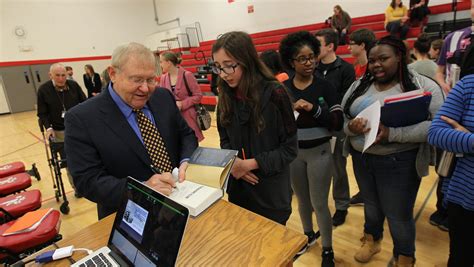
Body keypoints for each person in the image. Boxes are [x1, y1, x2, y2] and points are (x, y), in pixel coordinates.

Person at [64, 43, 198, 219]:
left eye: (150, 80)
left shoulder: (163, 97)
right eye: (136, 80)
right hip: (130, 216)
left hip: (183, 203)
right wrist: (142, 189)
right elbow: (87, 181)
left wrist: (186, 161)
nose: (145, 88)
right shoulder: (82, 118)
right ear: (113, 74)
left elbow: (186, 135)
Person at [341, 35, 443, 266]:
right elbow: (343, 120)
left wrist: (392, 134)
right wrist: (351, 127)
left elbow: (438, 126)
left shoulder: (422, 85)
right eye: (373, 60)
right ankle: (372, 240)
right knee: (372, 206)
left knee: (398, 216)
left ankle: (404, 256)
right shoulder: (359, 85)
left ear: (399, 57)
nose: (376, 64)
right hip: (362, 158)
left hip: (400, 162)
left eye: (383, 59)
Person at [211, 31, 297, 226]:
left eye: (229, 66)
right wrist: (233, 163)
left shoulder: (275, 93)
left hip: (270, 193)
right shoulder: (225, 95)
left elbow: (289, 150)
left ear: (246, 60)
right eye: (218, 67)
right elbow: (225, 139)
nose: (223, 74)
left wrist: (248, 164)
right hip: (239, 190)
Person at [280, 31, 342, 266]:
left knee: (319, 203)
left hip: (320, 152)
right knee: (302, 202)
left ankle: (327, 249)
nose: (308, 62)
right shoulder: (284, 88)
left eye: (311, 57)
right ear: (291, 61)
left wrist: (314, 110)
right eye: (302, 58)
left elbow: (337, 122)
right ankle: (308, 236)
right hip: (294, 153)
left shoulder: (325, 86)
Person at [428, 74, 474, 267]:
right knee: (460, 258)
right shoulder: (469, 85)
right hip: (465, 197)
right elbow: (436, 133)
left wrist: (465, 139)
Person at [314, 29, 356, 226]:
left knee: (338, 168)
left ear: (330, 46)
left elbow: (346, 100)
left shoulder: (345, 69)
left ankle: (341, 206)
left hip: (336, 126)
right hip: (316, 125)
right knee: (317, 168)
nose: (313, 49)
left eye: (318, 44)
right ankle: (318, 202)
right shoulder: (312, 68)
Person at [37, 63, 87, 198]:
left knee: (86, 156)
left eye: (63, 75)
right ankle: (77, 187)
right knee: (70, 160)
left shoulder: (73, 86)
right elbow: (42, 113)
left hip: (79, 128)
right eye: (57, 75)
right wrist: (48, 128)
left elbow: (85, 104)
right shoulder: (43, 90)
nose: (61, 78)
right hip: (59, 131)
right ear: (50, 75)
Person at [159, 51, 204, 142]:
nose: (160, 65)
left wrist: (182, 104)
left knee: (192, 145)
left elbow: (198, 96)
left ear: (169, 63)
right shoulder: (163, 78)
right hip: (172, 119)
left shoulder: (187, 75)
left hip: (189, 117)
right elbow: (163, 97)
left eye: (161, 62)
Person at [435, 1, 474, 94]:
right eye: (473, 7)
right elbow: (439, 72)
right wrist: (443, 85)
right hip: (452, 99)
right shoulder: (452, 37)